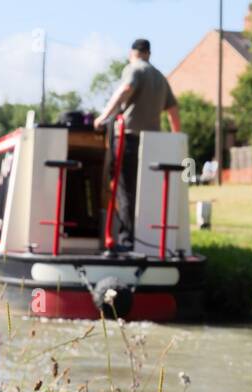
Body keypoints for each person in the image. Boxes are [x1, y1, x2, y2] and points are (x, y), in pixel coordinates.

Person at [93, 39, 180, 250]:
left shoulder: (134, 69)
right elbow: (173, 110)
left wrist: (103, 118)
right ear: (149, 53)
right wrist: (177, 141)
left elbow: (125, 89)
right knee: (147, 190)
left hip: (128, 139)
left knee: (125, 190)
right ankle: (148, 240)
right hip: (154, 144)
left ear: (132, 53)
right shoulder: (160, 77)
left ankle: (125, 241)